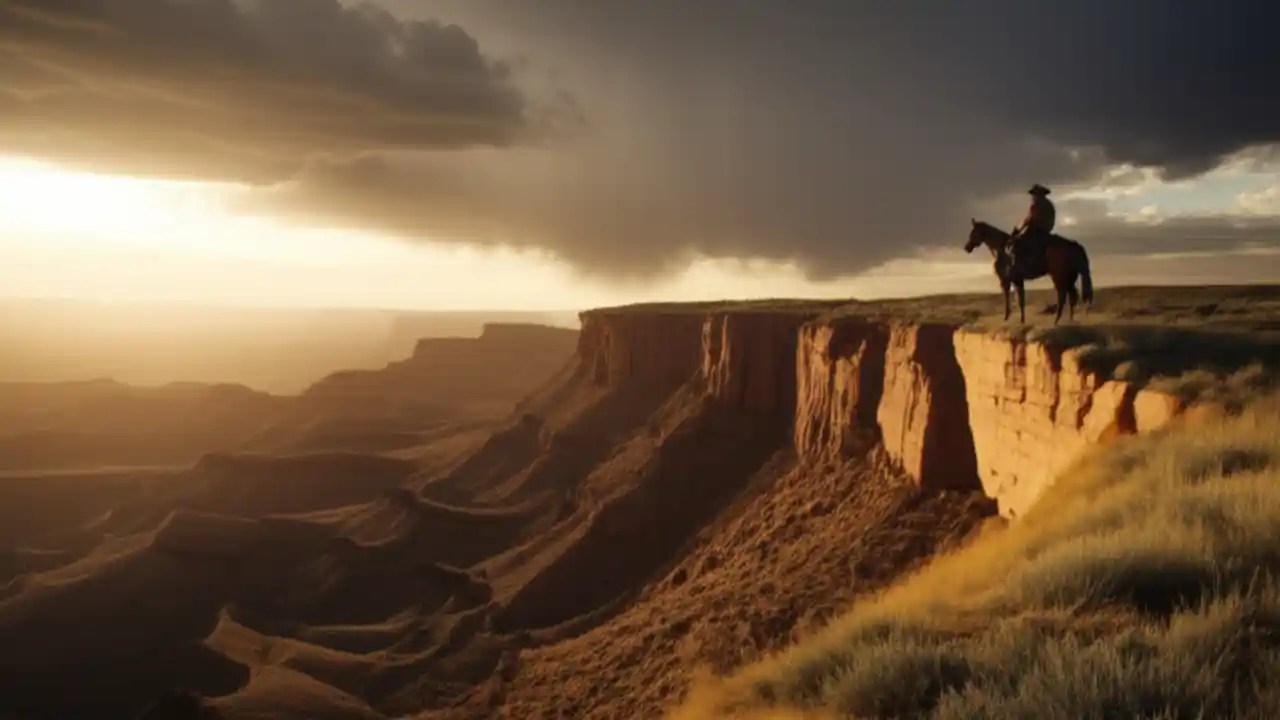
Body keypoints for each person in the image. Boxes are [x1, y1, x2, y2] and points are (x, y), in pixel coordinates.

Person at [1008, 183, 1055, 275]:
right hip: (1046, 229)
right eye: (1034, 194)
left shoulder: (1036, 205)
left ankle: (1019, 267)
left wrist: (1019, 229)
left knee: (1018, 243)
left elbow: (1030, 219)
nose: (1034, 196)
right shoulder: (1049, 204)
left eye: (1035, 194)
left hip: (1038, 229)